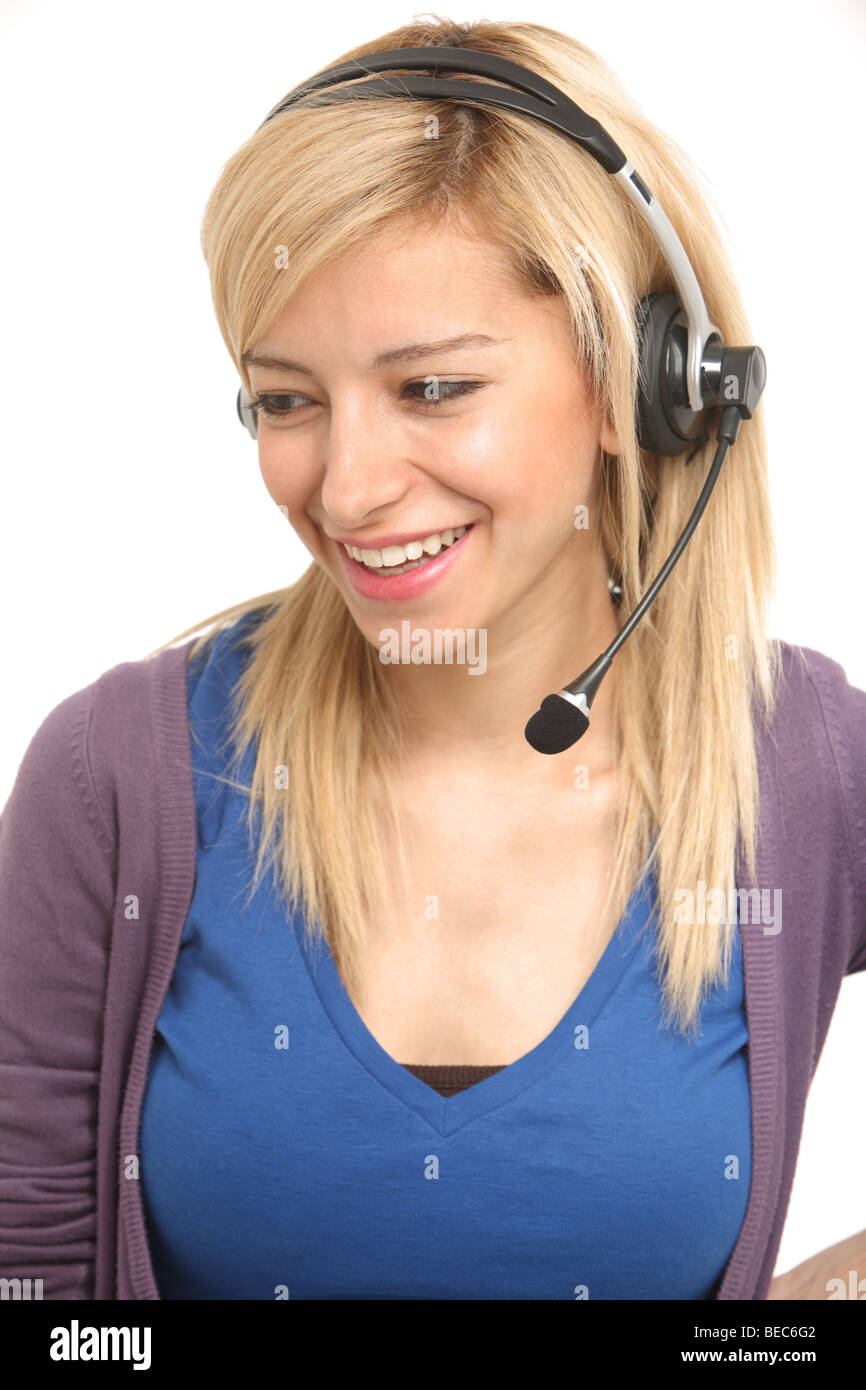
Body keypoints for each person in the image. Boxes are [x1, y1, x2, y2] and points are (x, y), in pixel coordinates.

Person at [1, 15, 864, 1302]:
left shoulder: (804, 765)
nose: (344, 488)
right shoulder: (117, 778)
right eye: (286, 398)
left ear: (643, 384)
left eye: (431, 389)